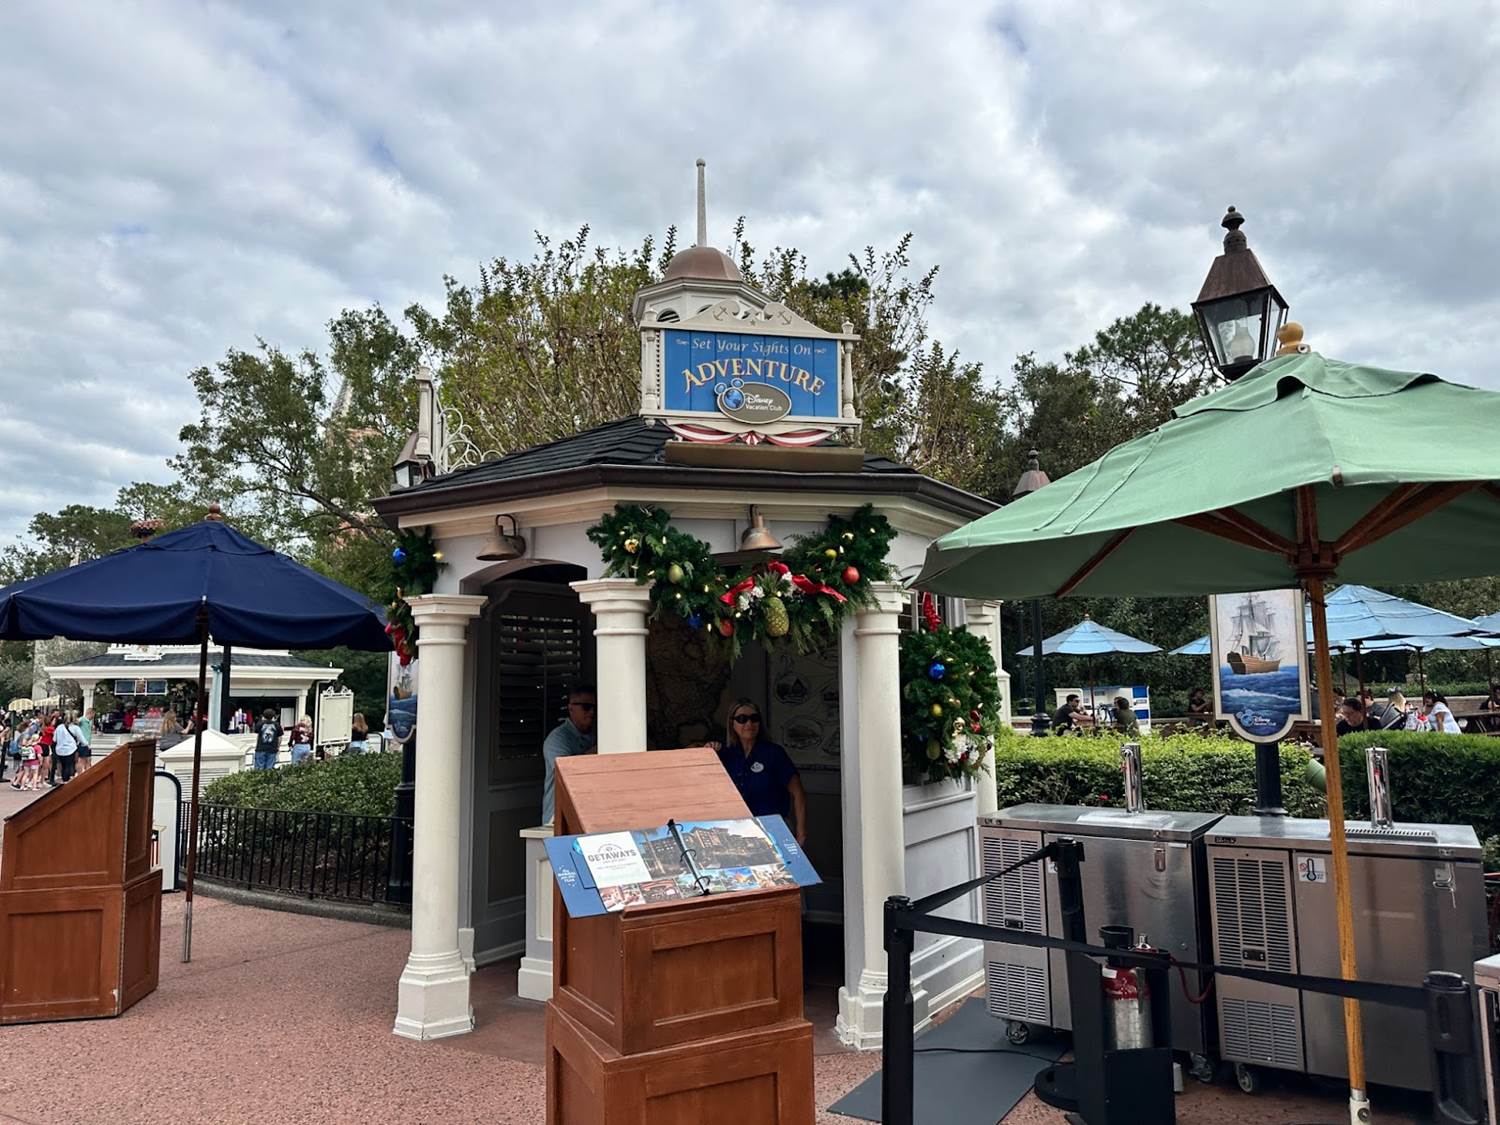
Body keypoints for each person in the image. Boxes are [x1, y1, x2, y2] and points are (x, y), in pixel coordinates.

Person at [711, 699, 807, 845]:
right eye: (742, 719)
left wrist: (801, 834)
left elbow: (798, 793)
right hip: (736, 832)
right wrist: (706, 750)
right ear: (732, 723)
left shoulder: (774, 753)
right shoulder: (725, 754)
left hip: (773, 829)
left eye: (754, 718)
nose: (749, 724)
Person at [542, 685, 597, 824]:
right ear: (571, 707)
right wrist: (598, 751)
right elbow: (567, 772)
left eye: (595, 707)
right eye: (586, 706)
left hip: (588, 814)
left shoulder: (594, 735)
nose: (591, 712)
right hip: (559, 819)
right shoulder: (557, 739)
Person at [51, 711, 82, 784]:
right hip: (70, 749)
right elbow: (81, 738)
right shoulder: (75, 728)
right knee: (69, 764)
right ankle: (66, 779)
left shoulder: (59, 727)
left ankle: (64, 778)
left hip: (60, 749)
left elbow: (54, 739)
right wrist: (85, 744)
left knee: (63, 764)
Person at [76, 708, 94, 772]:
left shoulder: (89, 722)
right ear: (90, 713)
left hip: (88, 744)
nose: (93, 717)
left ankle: (87, 773)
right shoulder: (83, 719)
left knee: (89, 759)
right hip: (82, 743)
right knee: (81, 760)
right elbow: (77, 721)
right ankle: (79, 775)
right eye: (93, 715)